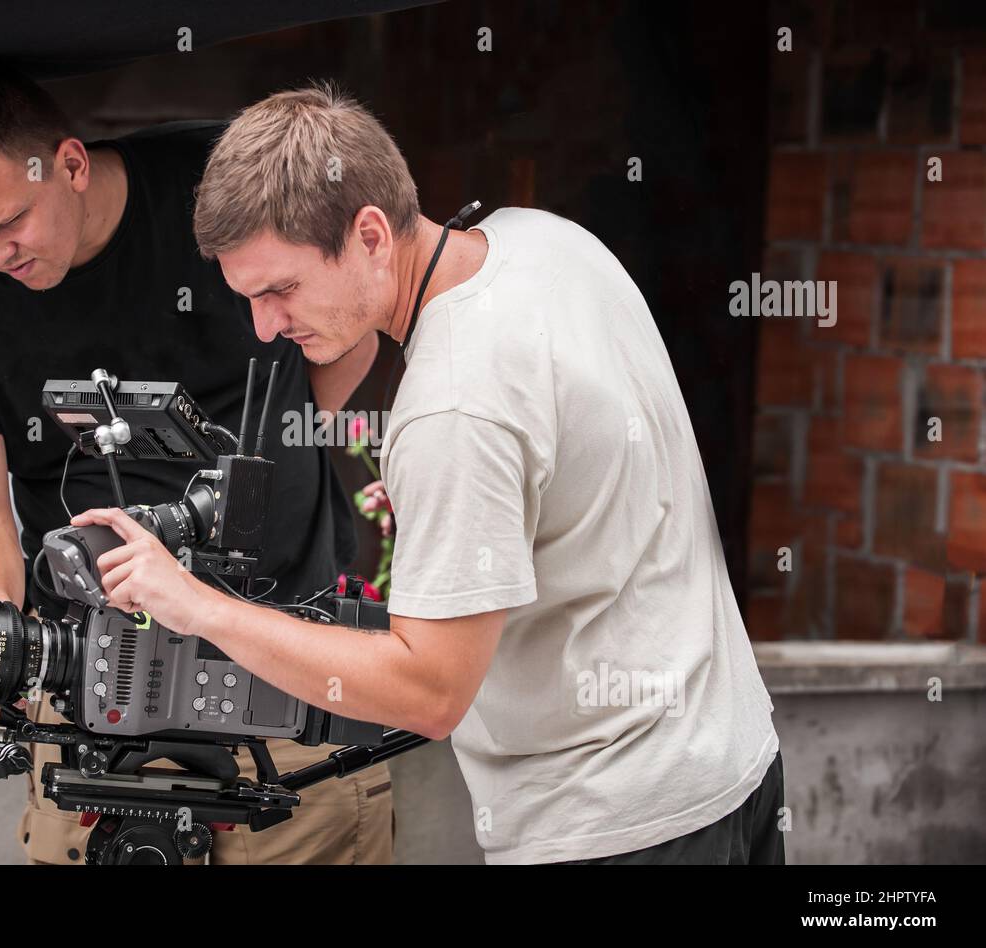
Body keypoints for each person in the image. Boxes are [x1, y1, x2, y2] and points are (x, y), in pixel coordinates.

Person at [75, 83, 785, 864]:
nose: (265, 327)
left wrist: (198, 607)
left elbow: (429, 691)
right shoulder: (544, 242)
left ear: (370, 235)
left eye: (280, 289)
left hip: (616, 825)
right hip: (735, 764)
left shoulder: (451, 405)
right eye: (246, 297)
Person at [0, 62, 392, 865]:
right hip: (91, 693)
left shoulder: (227, 191)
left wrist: (265, 465)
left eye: (12, 221)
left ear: (72, 163)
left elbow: (353, 328)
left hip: (286, 668)